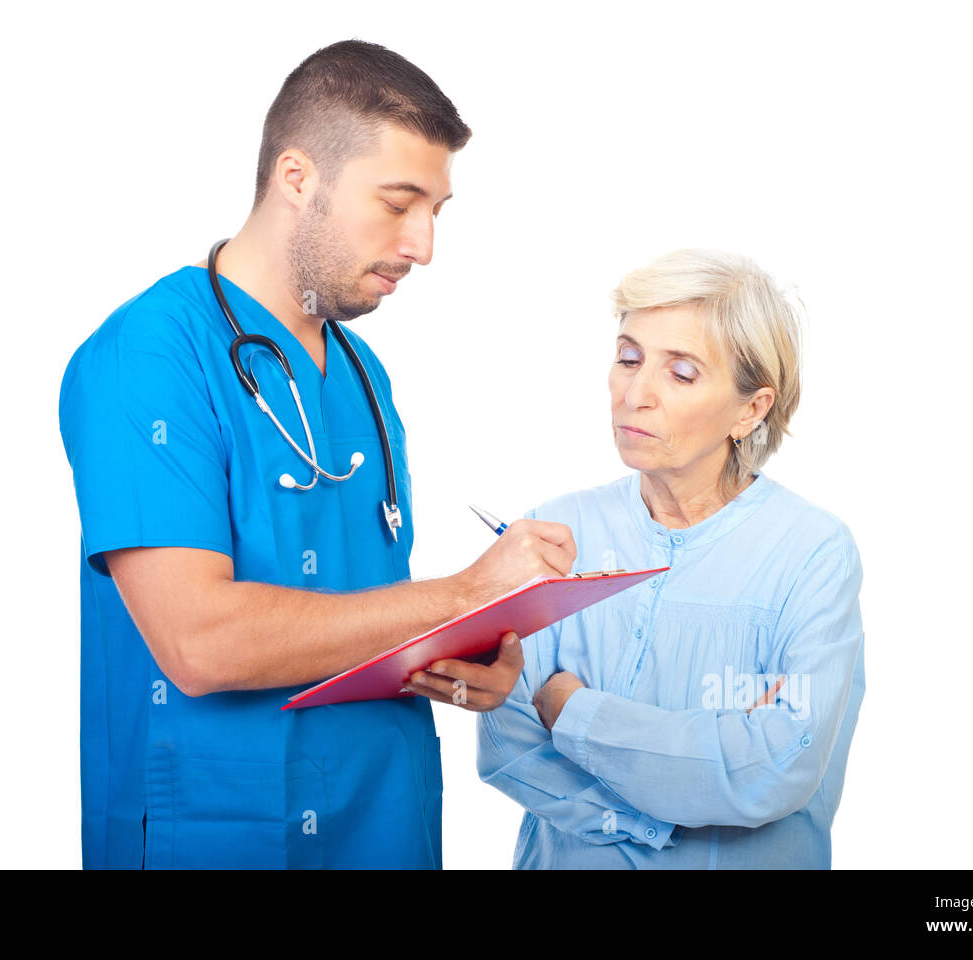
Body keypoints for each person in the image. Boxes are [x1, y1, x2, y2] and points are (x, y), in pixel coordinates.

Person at [58, 40, 576, 869]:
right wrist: (466, 592)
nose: (424, 245)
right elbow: (201, 644)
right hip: (222, 831)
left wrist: (465, 648)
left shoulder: (362, 374)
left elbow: (353, 608)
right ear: (298, 178)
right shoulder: (146, 359)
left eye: (437, 211)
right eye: (399, 203)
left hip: (386, 820)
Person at [477, 249, 865, 869]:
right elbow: (509, 744)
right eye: (628, 358)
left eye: (681, 373)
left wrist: (572, 711)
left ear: (751, 409)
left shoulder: (810, 552)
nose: (635, 394)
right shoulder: (557, 529)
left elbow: (777, 764)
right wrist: (671, 807)